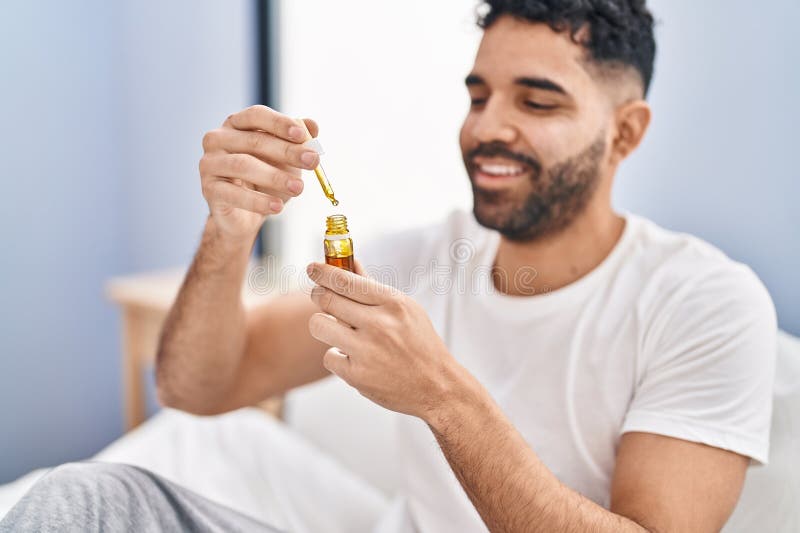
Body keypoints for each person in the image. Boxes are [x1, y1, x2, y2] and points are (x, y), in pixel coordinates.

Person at [1, 0, 777, 532]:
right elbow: (198, 386)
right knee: (83, 501)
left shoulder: (703, 302)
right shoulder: (421, 260)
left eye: (538, 103)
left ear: (627, 133)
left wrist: (442, 395)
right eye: (479, 96)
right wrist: (229, 230)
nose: (489, 128)